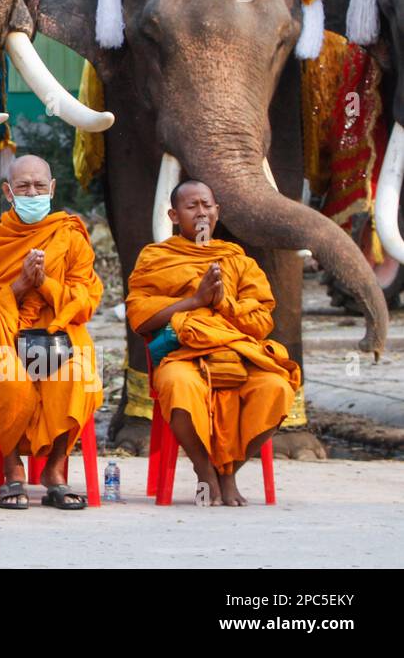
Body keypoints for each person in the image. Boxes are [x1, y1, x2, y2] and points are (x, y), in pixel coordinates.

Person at [125, 179, 299, 506]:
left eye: (207, 205)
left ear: (218, 211)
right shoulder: (156, 257)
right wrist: (194, 301)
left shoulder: (239, 261)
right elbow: (140, 316)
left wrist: (223, 304)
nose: (201, 212)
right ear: (174, 215)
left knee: (277, 388)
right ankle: (205, 471)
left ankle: (229, 471)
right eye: (192, 206)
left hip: (239, 356)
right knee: (178, 386)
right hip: (183, 357)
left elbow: (262, 322)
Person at [0, 155, 103, 510]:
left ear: (52, 189)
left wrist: (48, 285)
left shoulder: (70, 236)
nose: (32, 192)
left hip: (59, 335)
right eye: (23, 186)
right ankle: (13, 471)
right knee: (10, 380)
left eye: (40, 186)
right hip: (4, 338)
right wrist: (21, 285)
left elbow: (85, 299)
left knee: (79, 376)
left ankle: (54, 471)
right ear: (8, 192)